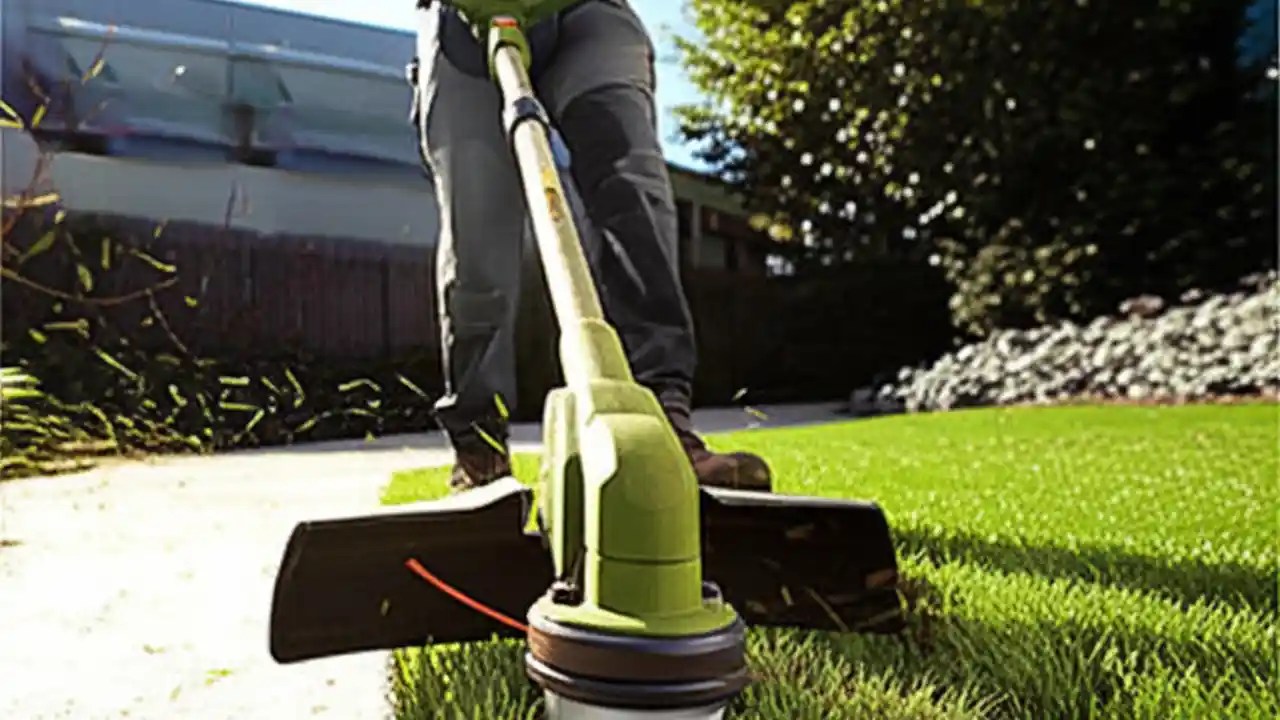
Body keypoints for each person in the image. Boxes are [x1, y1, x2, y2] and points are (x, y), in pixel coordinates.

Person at [409, 0, 772, 492]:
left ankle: (663, 425)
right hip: (461, 26)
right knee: (476, 239)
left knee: (629, 192)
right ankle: (480, 454)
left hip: (585, 13)